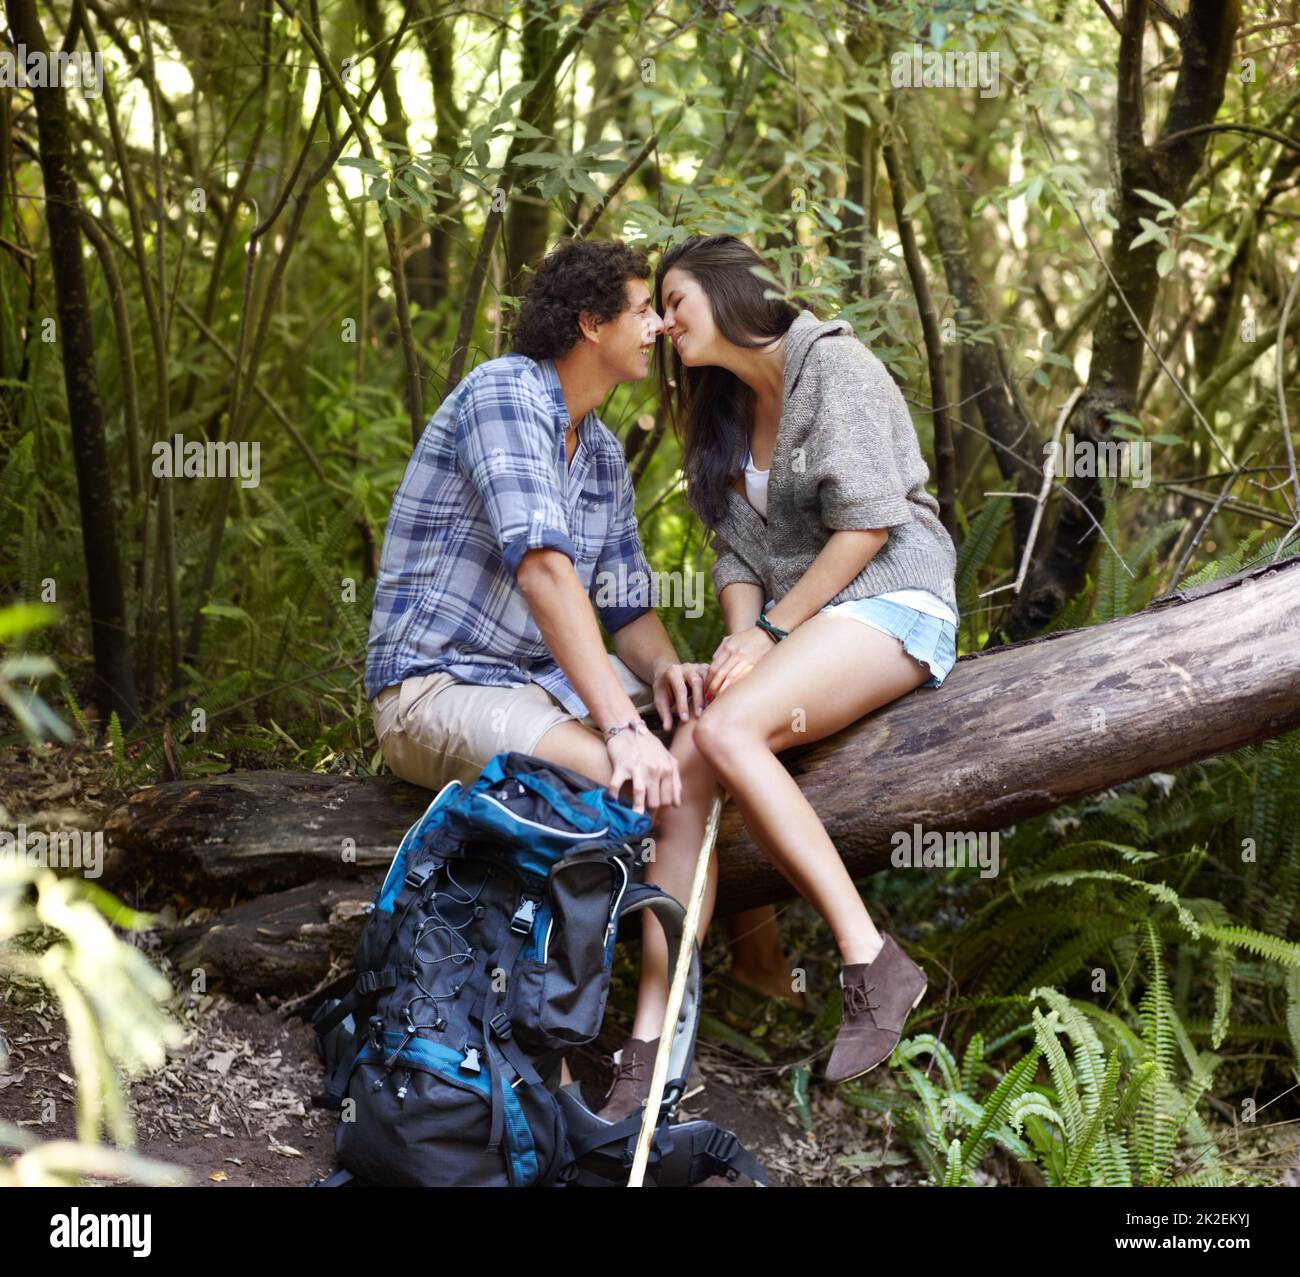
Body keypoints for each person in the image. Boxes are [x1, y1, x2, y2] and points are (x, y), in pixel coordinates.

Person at [363, 237, 796, 1113]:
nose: (659, 326)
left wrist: (668, 673)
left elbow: (625, 604)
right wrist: (627, 729)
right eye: (644, 309)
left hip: (541, 689)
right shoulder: (505, 393)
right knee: (624, 778)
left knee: (704, 745)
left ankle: (650, 1043)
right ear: (590, 320)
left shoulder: (596, 449)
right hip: (434, 688)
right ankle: (542, 1044)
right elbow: (547, 571)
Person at [628, 232, 961, 1085]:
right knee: (691, 751)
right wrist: (744, 639)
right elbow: (737, 558)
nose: (665, 324)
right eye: (658, 311)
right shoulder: (726, 414)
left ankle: (870, 961)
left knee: (729, 728)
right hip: (805, 623)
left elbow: (868, 526)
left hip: (892, 597)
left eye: (676, 303)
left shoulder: (832, 365)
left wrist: (770, 632)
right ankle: (649, 1045)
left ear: (731, 293)